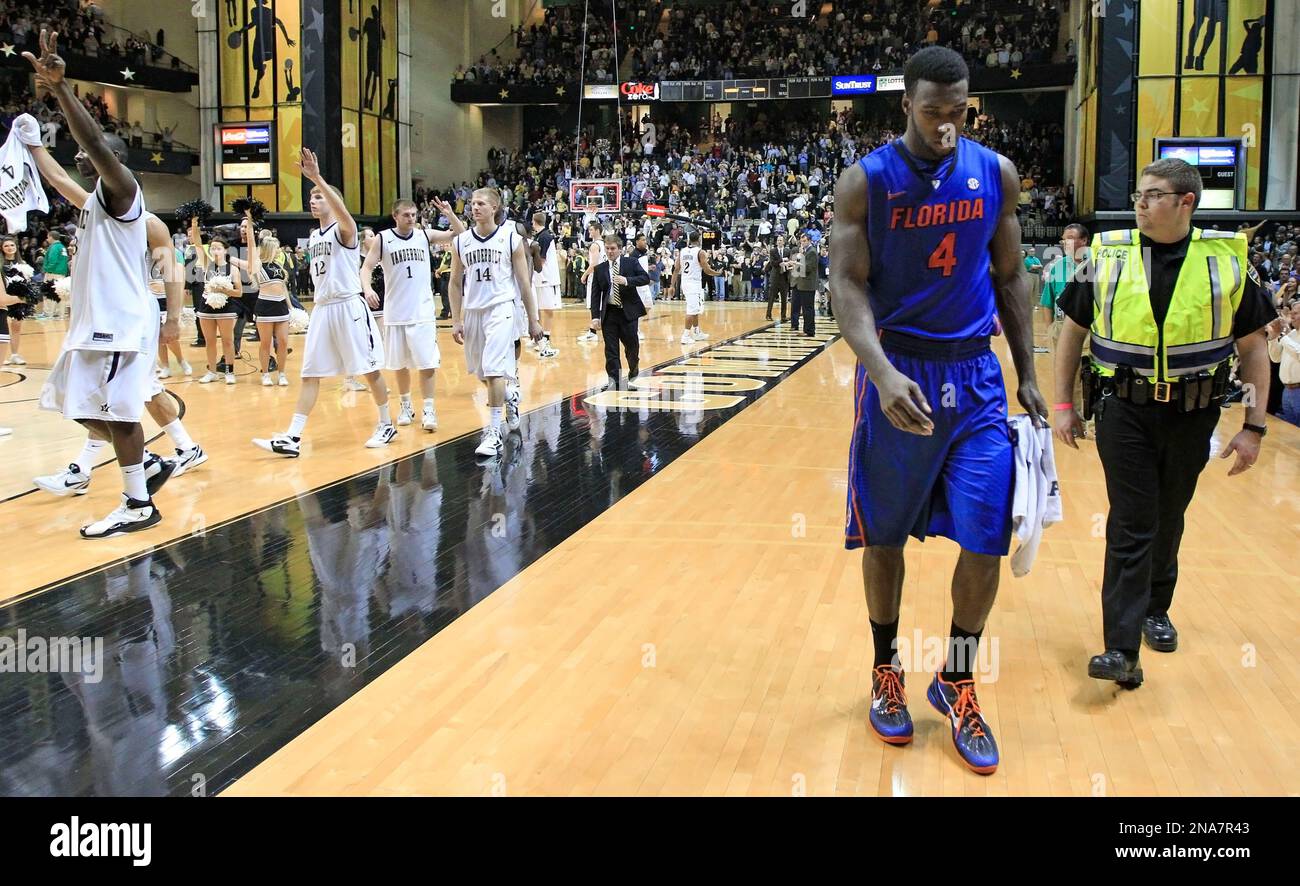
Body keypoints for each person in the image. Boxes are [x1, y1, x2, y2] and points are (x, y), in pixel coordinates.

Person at [832, 46, 1048, 774]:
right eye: (933, 113)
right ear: (906, 104)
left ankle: (955, 680)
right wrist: (881, 371)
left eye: (958, 114)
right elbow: (846, 288)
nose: (946, 127)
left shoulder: (996, 175)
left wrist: (1028, 371)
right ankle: (886, 669)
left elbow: (1012, 276)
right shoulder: (866, 183)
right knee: (884, 536)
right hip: (901, 376)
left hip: (976, 381)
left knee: (987, 535)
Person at [1053, 158, 1276, 688]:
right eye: (1138, 196)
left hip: (1193, 414)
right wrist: (1062, 405)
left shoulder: (1227, 261)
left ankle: (1157, 606)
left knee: (1169, 513)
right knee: (1132, 520)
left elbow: (1254, 347)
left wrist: (1255, 427)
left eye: (1153, 195)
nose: (1140, 204)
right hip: (1122, 409)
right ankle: (1121, 648)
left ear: (1186, 202)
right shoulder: (1103, 255)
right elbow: (1071, 332)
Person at [22, 30, 193, 537]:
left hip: (119, 322)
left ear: (110, 161)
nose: (79, 158)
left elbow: (93, 143)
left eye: (88, 157)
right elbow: (59, 180)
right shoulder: (94, 203)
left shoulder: (124, 194)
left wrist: (61, 90)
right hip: (96, 324)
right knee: (73, 405)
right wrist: (32, 146)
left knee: (120, 416)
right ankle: (147, 468)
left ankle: (138, 500)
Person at [253, 147, 396, 457]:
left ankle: (386, 422)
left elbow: (346, 218)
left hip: (348, 307)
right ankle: (292, 436)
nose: (313, 200)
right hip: (323, 309)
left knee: (368, 370)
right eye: (312, 196)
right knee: (310, 373)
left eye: (320, 196)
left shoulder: (344, 231)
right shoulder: (315, 236)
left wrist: (316, 176)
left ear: (334, 200)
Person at [448, 188, 543, 458]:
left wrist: (533, 320)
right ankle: (511, 396)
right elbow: (455, 283)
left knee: (493, 370)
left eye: (481, 203)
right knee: (483, 375)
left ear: (494, 208)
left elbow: (524, 283)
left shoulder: (510, 238)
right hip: (474, 311)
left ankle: (492, 432)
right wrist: (456, 320)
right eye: (473, 203)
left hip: (501, 307)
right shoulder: (461, 241)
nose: (474, 207)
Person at [361, 196, 464, 431]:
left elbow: (460, 234)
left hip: (422, 310)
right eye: (406, 215)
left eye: (414, 215)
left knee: (427, 362)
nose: (411, 219)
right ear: (395, 216)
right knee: (398, 364)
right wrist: (367, 288)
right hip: (396, 310)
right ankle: (406, 405)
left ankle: (429, 408)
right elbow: (366, 267)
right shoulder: (383, 239)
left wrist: (449, 214)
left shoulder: (425, 235)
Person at [589, 234, 650, 389]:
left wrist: (627, 281)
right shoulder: (600, 268)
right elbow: (595, 295)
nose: (610, 252)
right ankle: (613, 380)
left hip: (628, 312)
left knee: (631, 347)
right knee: (610, 349)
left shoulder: (631, 263)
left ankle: (633, 371)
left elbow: (645, 278)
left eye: (613, 249)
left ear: (620, 249)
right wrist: (595, 316)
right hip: (609, 313)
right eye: (607, 249)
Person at [672, 229, 720, 344]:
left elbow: (676, 269)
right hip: (694, 284)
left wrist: (672, 285)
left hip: (685, 282)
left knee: (694, 309)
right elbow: (707, 270)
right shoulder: (700, 252)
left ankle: (697, 332)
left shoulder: (682, 251)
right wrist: (717, 273)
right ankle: (685, 336)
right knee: (692, 310)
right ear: (699, 239)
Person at [528, 212, 561, 356]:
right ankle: (539, 338)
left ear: (534, 222)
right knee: (539, 308)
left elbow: (541, 260)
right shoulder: (540, 236)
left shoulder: (546, 236)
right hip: (539, 278)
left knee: (547, 309)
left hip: (548, 277)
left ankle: (546, 338)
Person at [1267, 299, 1300, 425]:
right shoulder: (1291, 334)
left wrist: (1284, 336)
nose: (1291, 315)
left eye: (1296, 313)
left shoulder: (1288, 336)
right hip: (1287, 390)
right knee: (1291, 430)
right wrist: (1273, 338)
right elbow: (1276, 358)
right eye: (1291, 312)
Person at [788, 231, 819, 336]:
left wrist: (797, 262)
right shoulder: (805, 252)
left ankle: (810, 331)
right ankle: (806, 330)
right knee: (805, 309)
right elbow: (800, 269)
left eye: (805, 241)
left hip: (808, 285)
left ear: (809, 241)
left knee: (808, 309)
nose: (802, 243)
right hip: (802, 285)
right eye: (801, 241)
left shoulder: (812, 252)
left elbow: (808, 268)